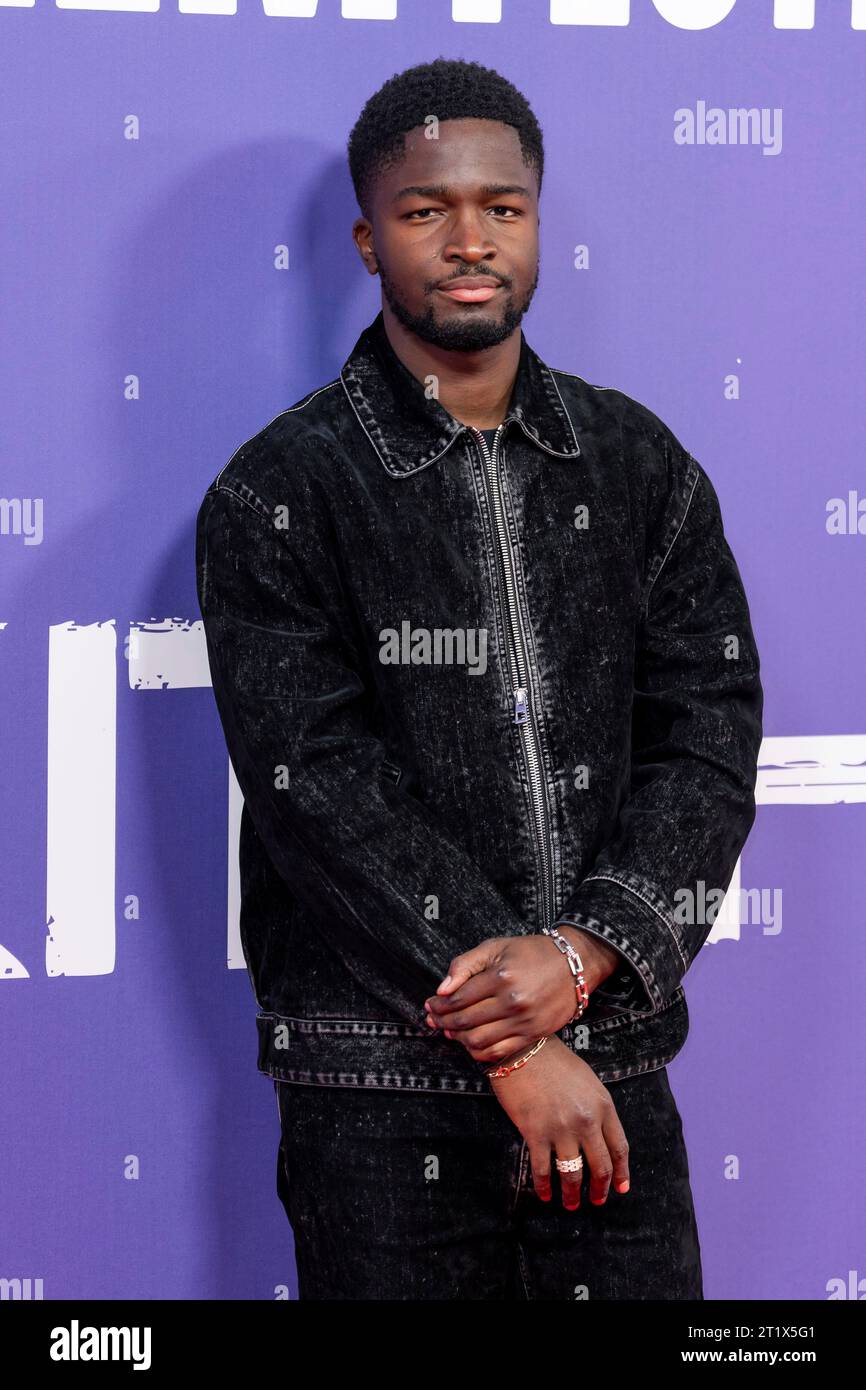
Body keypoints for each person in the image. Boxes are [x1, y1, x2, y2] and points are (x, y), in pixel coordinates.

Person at [195, 57, 763, 1300]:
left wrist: (582, 955)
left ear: (535, 223)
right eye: (424, 210)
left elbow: (708, 736)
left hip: (611, 1073)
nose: (468, 240)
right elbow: (318, 791)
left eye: (500, 208)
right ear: (365, 237)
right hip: (375, 1094)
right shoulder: (277, 489)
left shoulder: (638, 465)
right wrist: (512, 1039)